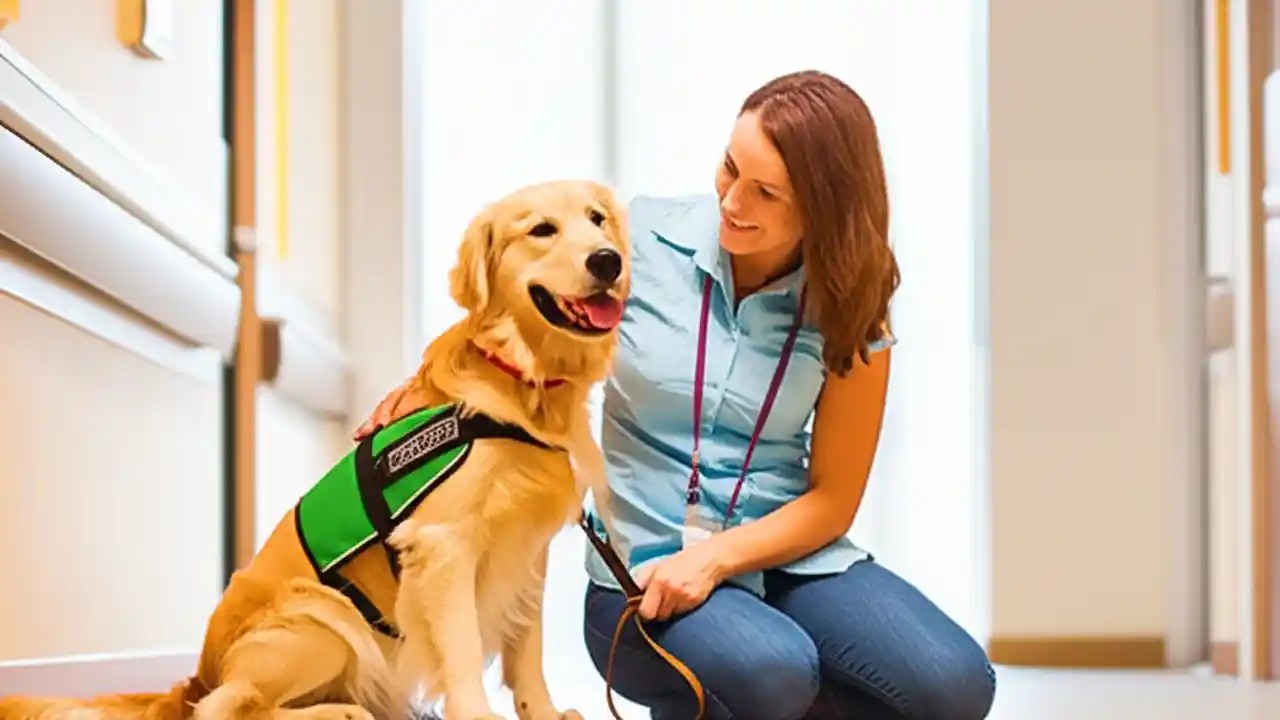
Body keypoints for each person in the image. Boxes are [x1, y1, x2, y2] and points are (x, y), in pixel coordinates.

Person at [357, 70, 994, 720]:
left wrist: (718, 559)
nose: (733, 202)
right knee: (772, 673)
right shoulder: (638, 243)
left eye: (765, 192)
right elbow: (516, 312)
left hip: (788, 562)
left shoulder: (853, 299)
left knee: (956, 685)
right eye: (729, 168)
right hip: (646, 574)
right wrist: (421, 390)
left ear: (823, 209)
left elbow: (833, 499)